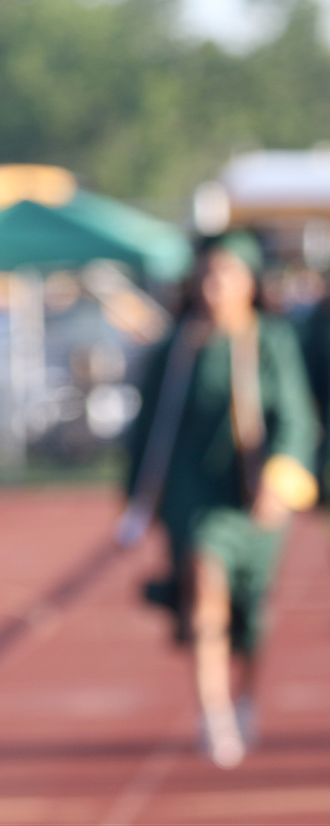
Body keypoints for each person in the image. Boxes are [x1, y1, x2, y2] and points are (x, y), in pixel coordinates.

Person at [124, 231, 319, 769]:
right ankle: (214, 712)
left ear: (251, 281)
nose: (216, 287)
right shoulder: (176, 350)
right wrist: (137, 502)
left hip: (254, 501)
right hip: (193, 497)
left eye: (229, 274)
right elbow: (149, 431)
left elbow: (297, 420)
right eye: (208, 275)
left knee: (252, 612)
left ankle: (247, 695)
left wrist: (282, 477)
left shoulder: (270, 341)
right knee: (203, 589)